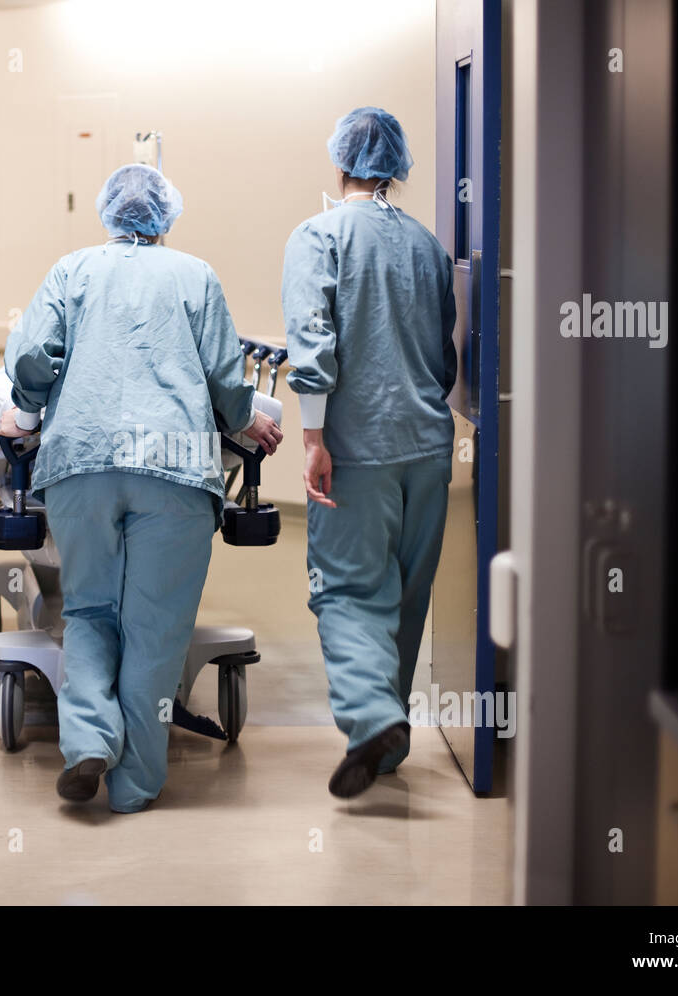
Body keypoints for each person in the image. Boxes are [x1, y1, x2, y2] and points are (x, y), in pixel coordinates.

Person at [0, 163, 282, 813]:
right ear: (166, 216)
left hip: (81, 467)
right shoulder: (195, 276)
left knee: (90, 611)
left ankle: (90, 743)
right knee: (156, 631)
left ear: (107, 212)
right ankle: (134, 786)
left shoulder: (71, 270)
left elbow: (31, 356)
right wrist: (247, 420)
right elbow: (225, 376)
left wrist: (27, 406)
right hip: (174, 471)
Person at [281, 107, 457, 798]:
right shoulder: (429, 246)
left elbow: (311, 337)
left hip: (358, 447)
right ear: (398, 168)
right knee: (408, 599)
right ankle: (383, 748)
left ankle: (374, 718)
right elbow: (443, 353)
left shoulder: (317, 236)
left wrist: (316, 435)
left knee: (353, 594)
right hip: (429, 446)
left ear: (339, 164)